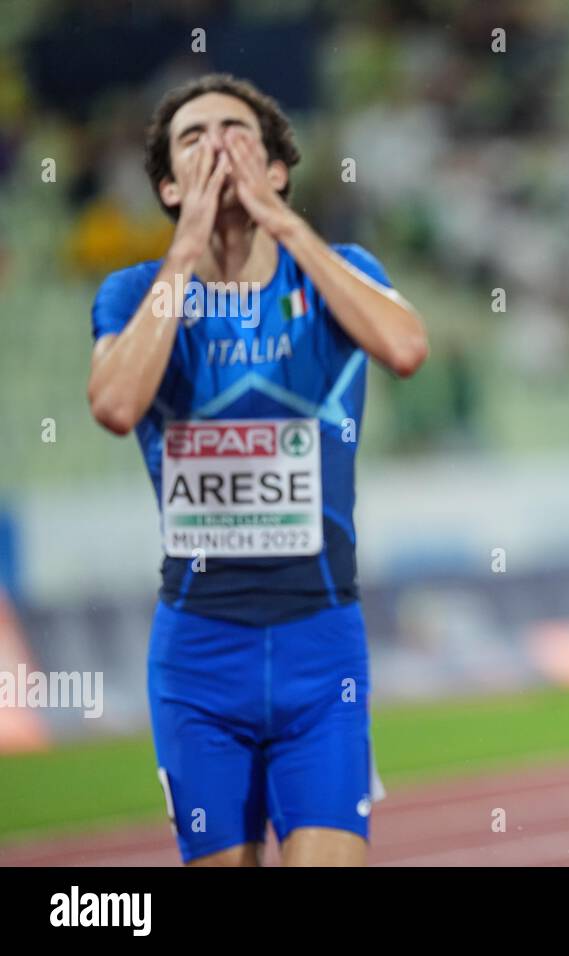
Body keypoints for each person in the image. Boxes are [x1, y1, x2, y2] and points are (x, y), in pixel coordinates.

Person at [87, 73, 429, 866]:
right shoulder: (135, 291)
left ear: (276, 167)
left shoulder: (336, 270)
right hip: (200, 657)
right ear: (169, 183)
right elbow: (113, 404)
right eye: (193, 139)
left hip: (323, 646)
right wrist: (184, 249)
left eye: (236, 133)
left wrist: (283, 225)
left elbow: (407, 348)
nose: (217, 149)